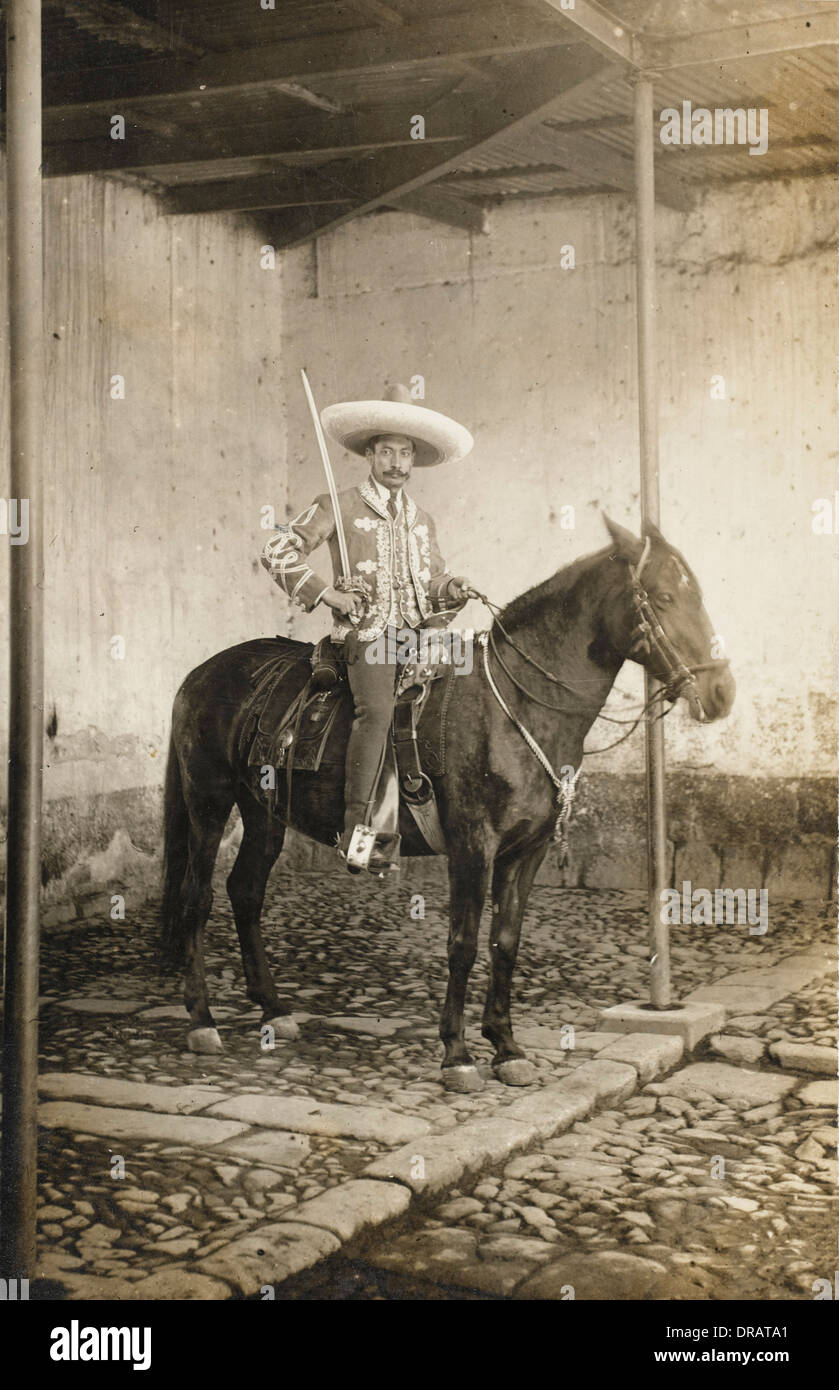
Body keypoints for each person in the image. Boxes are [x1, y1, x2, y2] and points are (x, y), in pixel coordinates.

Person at [261, 382, 474, 871]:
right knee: (376, 714)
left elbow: (431, 582)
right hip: (370, 638)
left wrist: (453, 586)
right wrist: (327, 593)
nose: (397, 462)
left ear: (414, 459)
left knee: (471, 682)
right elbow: (277, 550)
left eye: (405, 453)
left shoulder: (423, 520)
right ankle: (360, 841)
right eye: (387, 452)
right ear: (370, 454)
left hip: (418, 637)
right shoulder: (338, 505)